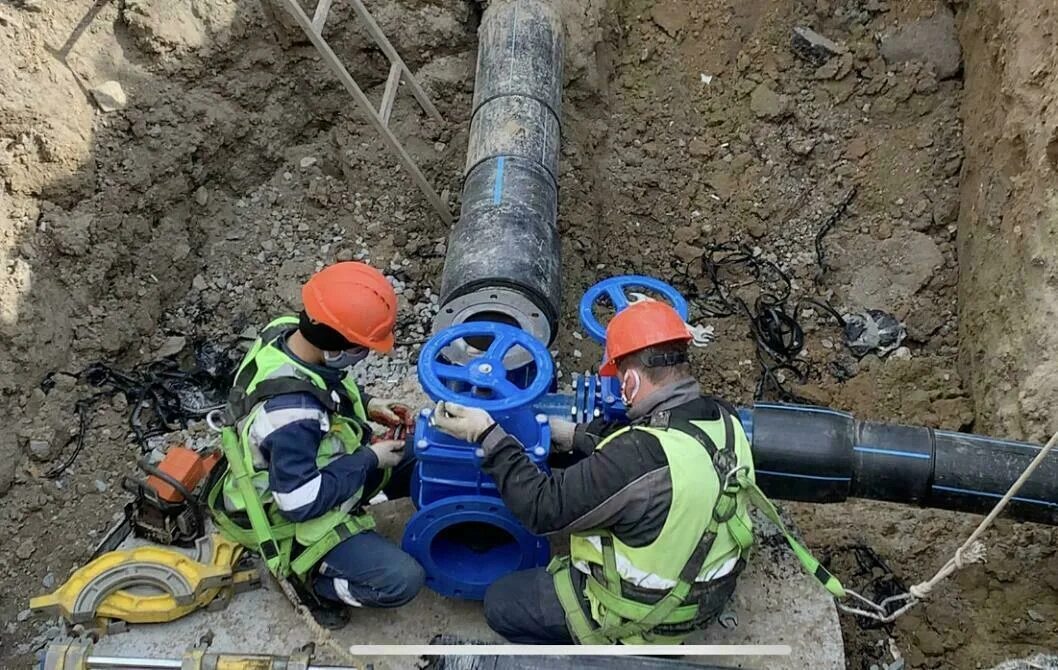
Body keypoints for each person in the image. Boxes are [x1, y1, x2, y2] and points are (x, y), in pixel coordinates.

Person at [431, 300, 757, 644]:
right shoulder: (723, 416)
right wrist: (574, 435)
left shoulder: (637, 457)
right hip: (705, 592)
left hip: (648, 615)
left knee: (502, 601)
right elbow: (658, 441)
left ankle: (598, 649)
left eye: (618, 380)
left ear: (630, 380)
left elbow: (542, 509)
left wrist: (486, 435)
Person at [210, 261, 424, 626]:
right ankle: (315, 583)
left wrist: (371, 405)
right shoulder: (293, 416)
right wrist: (370, 459)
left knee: (420, 447)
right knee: (401, 581)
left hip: (311, 466)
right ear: (337, 350)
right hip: (287, 513)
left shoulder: (285, 332)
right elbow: (299, 502)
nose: (366, 356)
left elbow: (324, 381)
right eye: (362, 349)